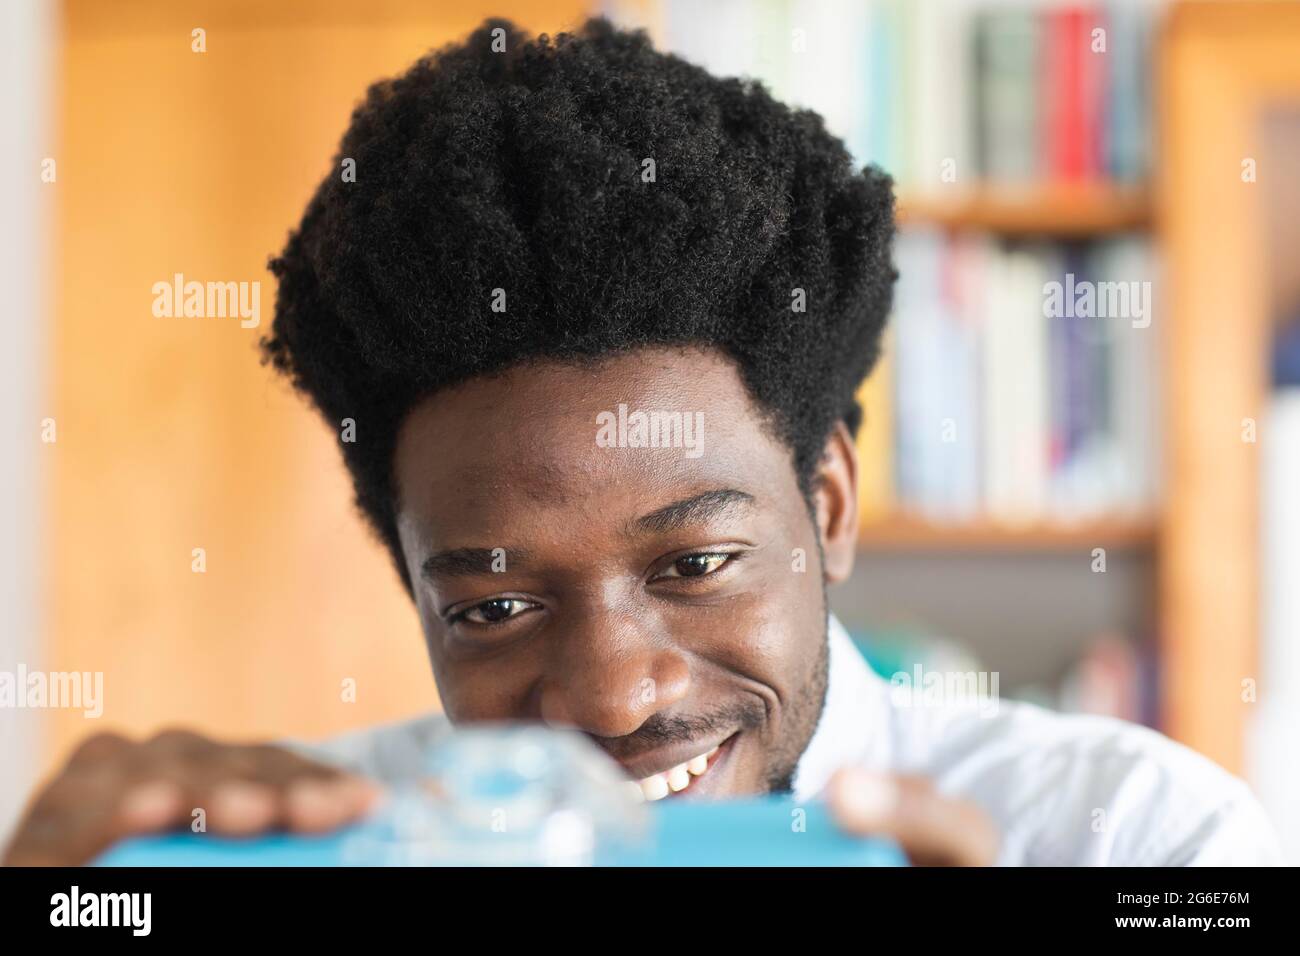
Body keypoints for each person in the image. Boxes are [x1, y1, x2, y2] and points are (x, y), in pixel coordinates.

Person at [2, 17, 1279, 867]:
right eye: (495, 603)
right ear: (410, 581)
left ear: (825, 502)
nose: (613, 695)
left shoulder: (1143, 842)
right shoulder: (328, 847)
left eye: (692, 564)